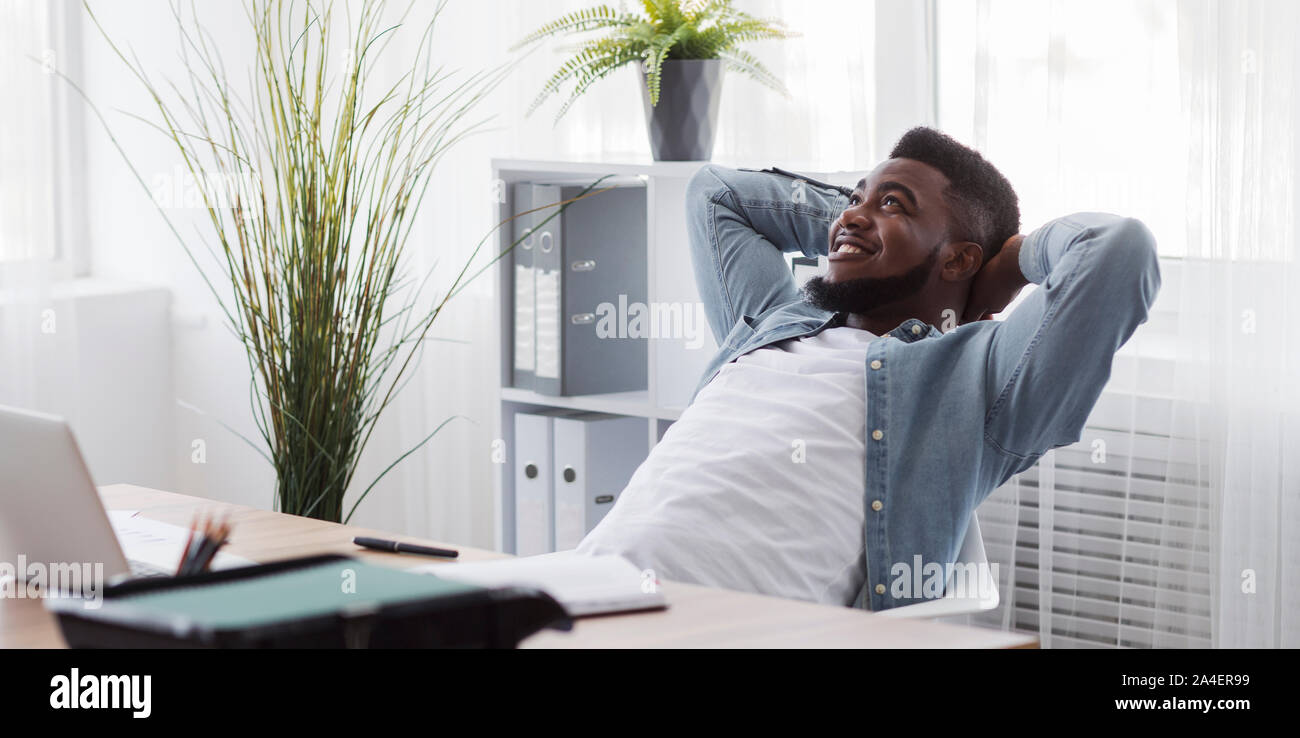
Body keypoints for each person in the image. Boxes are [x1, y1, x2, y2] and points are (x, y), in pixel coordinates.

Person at [576, 127, 1161, 610]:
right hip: (587, 594)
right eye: (854, 199)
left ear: (961, 258)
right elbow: (716, 192)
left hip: (726, 627)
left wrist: (1010, 260)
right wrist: (866, 222)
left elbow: (1116, 251)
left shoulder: (975, 379)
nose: (851, 217)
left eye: (891, 205)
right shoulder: (771, 318)